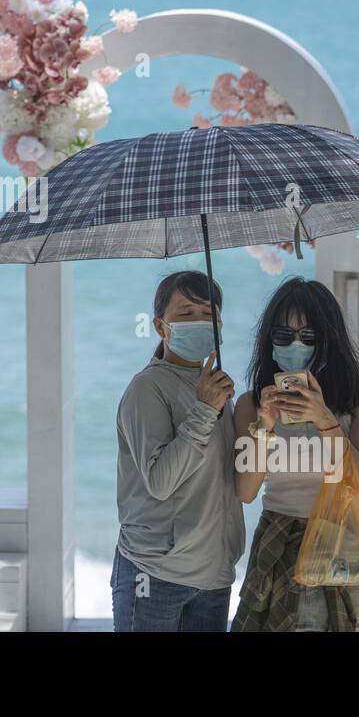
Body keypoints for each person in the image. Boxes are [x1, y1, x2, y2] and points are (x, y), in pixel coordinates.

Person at [231, 277, 359, 631]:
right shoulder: (251, 403)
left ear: (328, 342)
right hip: (277, 542)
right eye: (284, 335)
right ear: (269, 342)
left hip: (339, 539)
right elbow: (245, 492)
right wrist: (265, 425)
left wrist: (324, 419)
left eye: (309, 337)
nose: (296, 345)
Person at [111, 270, 245, 631]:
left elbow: (228, 479)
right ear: (160, 326)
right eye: (186, 314)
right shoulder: (147, 389)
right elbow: (160, 481)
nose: (199, 321)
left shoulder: (216, 387)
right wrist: (204, 410)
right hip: (155, 574)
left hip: (214, 575)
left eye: (209, 313)